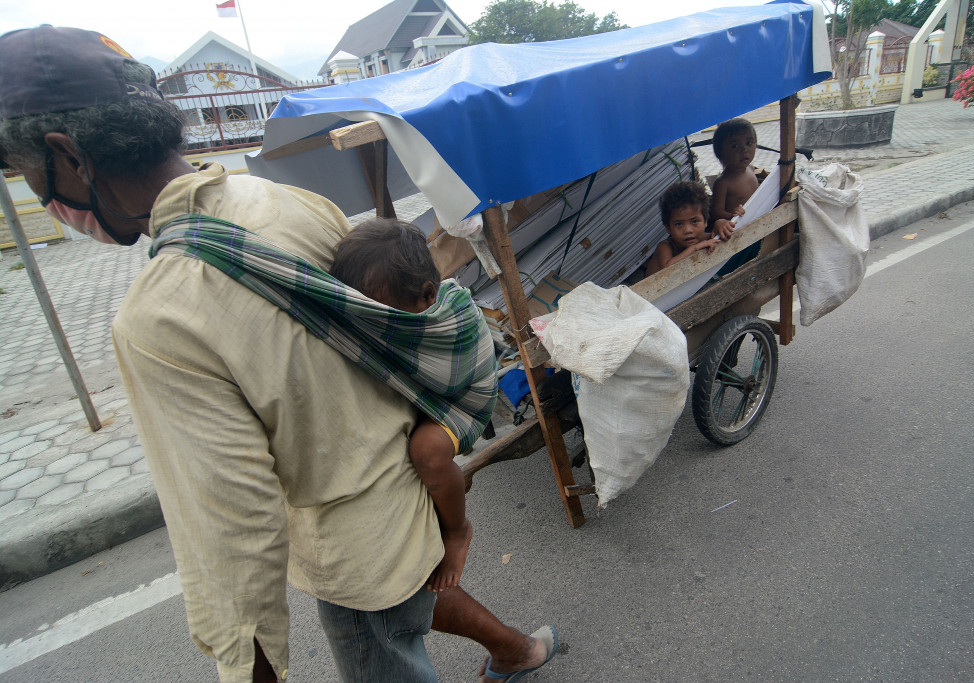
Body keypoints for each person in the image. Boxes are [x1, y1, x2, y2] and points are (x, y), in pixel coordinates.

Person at [0, 25, 557, 683]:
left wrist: (250, 671)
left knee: (386, 628)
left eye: (28, 173)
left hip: (352, 546)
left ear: (68, 156)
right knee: (408, 604)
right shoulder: (292, 204)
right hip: (409, 492)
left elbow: (231, 534)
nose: (41, 195)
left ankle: (515, 650)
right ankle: (517, 650)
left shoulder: (158, 318)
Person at [329, 217, 473, 594]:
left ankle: (458, 529)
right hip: (434, 401)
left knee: (427, 451)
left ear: (427, 295)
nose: (373, 325)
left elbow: (454, 378)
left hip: (465, 403)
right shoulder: (396, 314)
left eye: (382, 315)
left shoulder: (447, 314)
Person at [645, 180, 718, 276]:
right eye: (679, 224)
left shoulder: (706, 238)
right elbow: (667, 269)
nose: (688, 230)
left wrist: (720, 223)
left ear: (706, 221)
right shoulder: (665, 246)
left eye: (695, 221)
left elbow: (718, 235)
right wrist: (694, 248)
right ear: (668, 228)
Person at [710, 117, 759, 241]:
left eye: (749, 143)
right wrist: (732, 216)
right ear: (720, 153)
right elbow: (716, 211)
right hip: (737, 231)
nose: (744, 150)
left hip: (756, 223)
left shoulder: (751, 169)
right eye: (735, 146)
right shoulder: (723, 182)